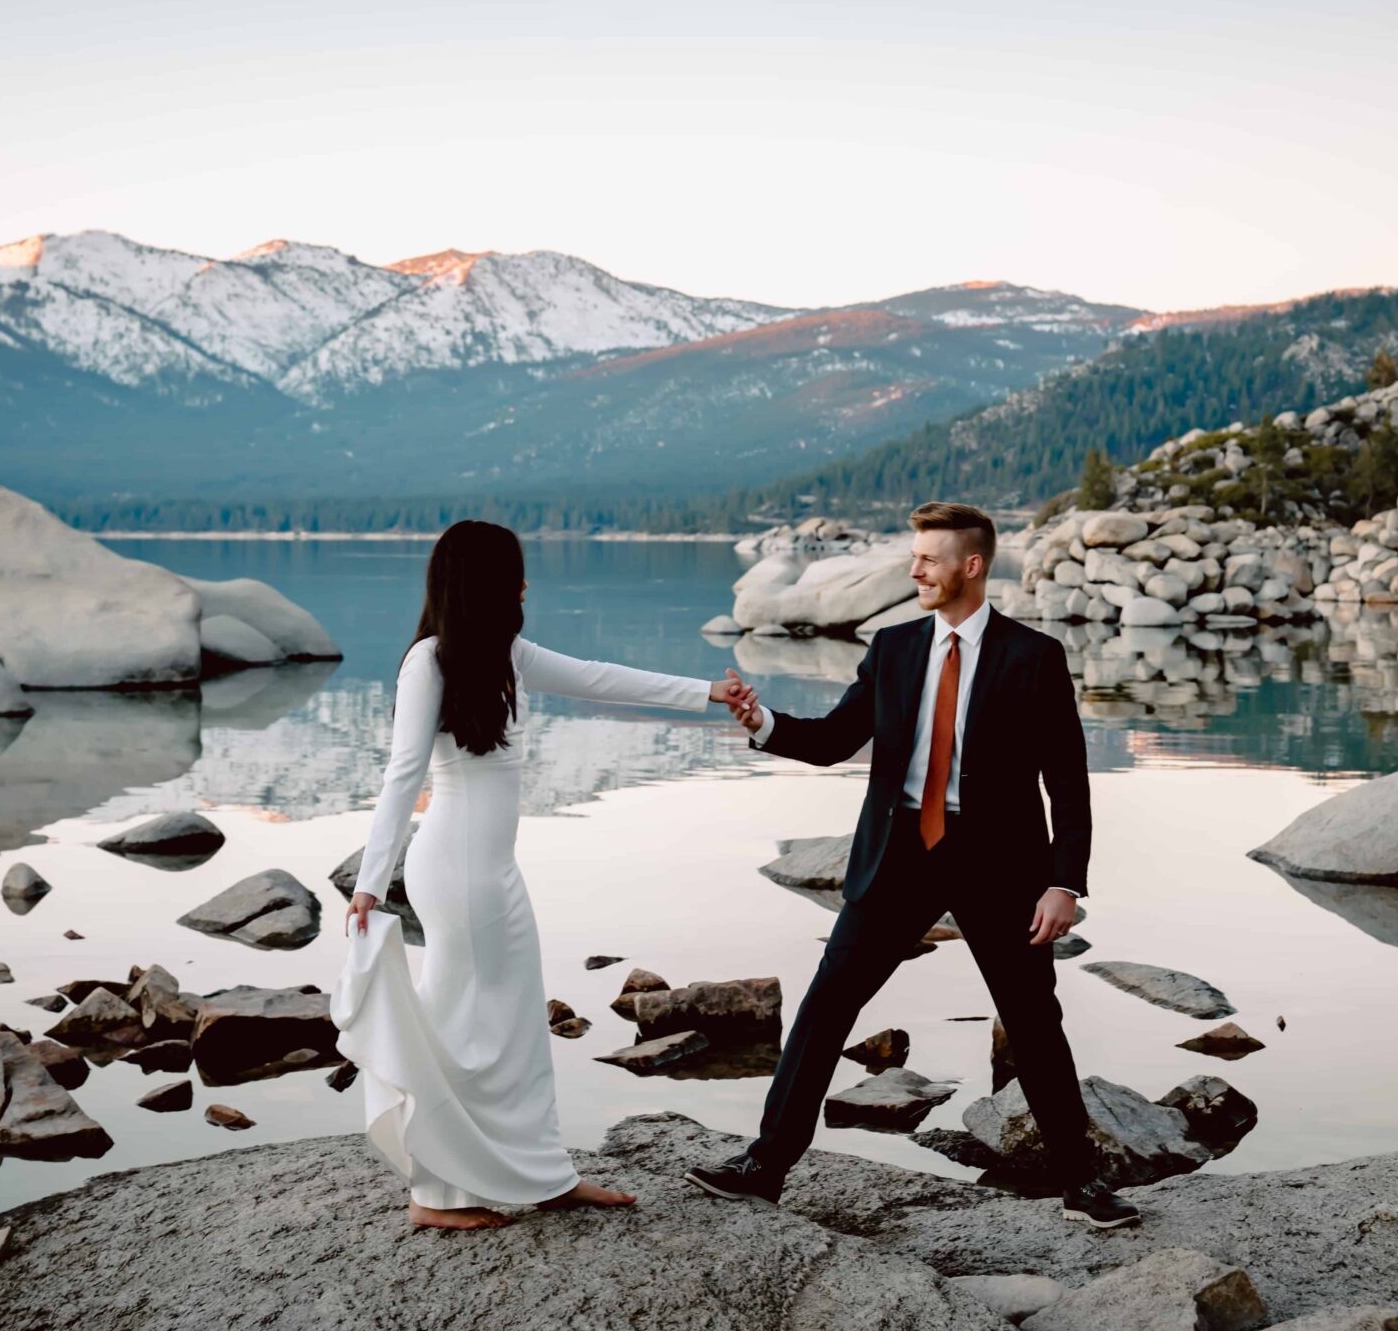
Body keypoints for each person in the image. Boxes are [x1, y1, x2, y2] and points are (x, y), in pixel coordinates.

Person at [684, 500, 1139, 1230]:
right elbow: (835, 738)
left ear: (972, 565)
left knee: (1034, 1025)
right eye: (914, 556)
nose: (914, 568)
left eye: (929, 558)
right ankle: (765, 1166)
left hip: (1002, 869)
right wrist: (762, 723)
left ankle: (1083, 1184)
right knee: (826, 1009)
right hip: (897, 857)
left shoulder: (1034, 657)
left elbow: (1069, 782)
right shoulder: (893, 649)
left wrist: (1064, 881)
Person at [331, 519, 756, 1231]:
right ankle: (434, 1194)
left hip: (494, 871)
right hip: (454, 871)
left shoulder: (503, 653)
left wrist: (709, 692)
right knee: (461, 1028)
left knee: (518, 1027)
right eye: (513, 573)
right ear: (482, 584)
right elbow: (403, 776)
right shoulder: (426, 663)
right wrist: (371, 882)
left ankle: (543, 1177)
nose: (526, 585)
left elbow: (600, 679)